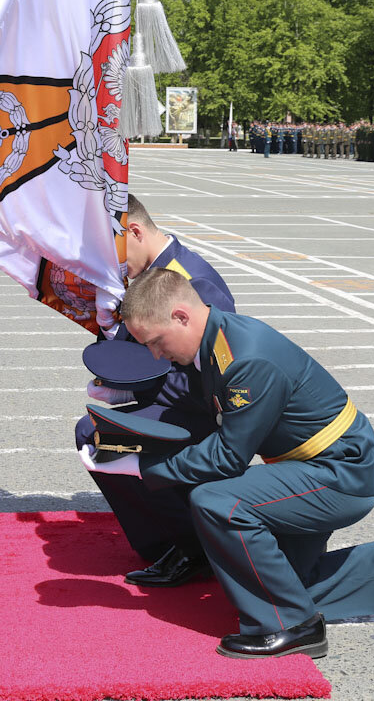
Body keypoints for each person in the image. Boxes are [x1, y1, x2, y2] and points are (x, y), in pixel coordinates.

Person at [82, 269, 374, 659]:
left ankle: (295, 627)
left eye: (157, 341)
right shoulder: (218, 340)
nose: (156, 354)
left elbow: (228, 457)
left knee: (218, 502)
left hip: (339, 474)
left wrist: (138, 467)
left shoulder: (245, 358)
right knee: (275, 584)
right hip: (313, 466)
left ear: (181, 316)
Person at [75, 194, 234, 586]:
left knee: (102, 435)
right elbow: (143, 355)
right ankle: (168, 541)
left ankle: (192, 546)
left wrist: (129, 396)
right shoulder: (148, 275)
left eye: (112, 252)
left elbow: (210, 370)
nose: (108, 264)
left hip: (199, 410)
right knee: (93, 431)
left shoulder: (190, 281)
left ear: (135, 231)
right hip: (174, 400)